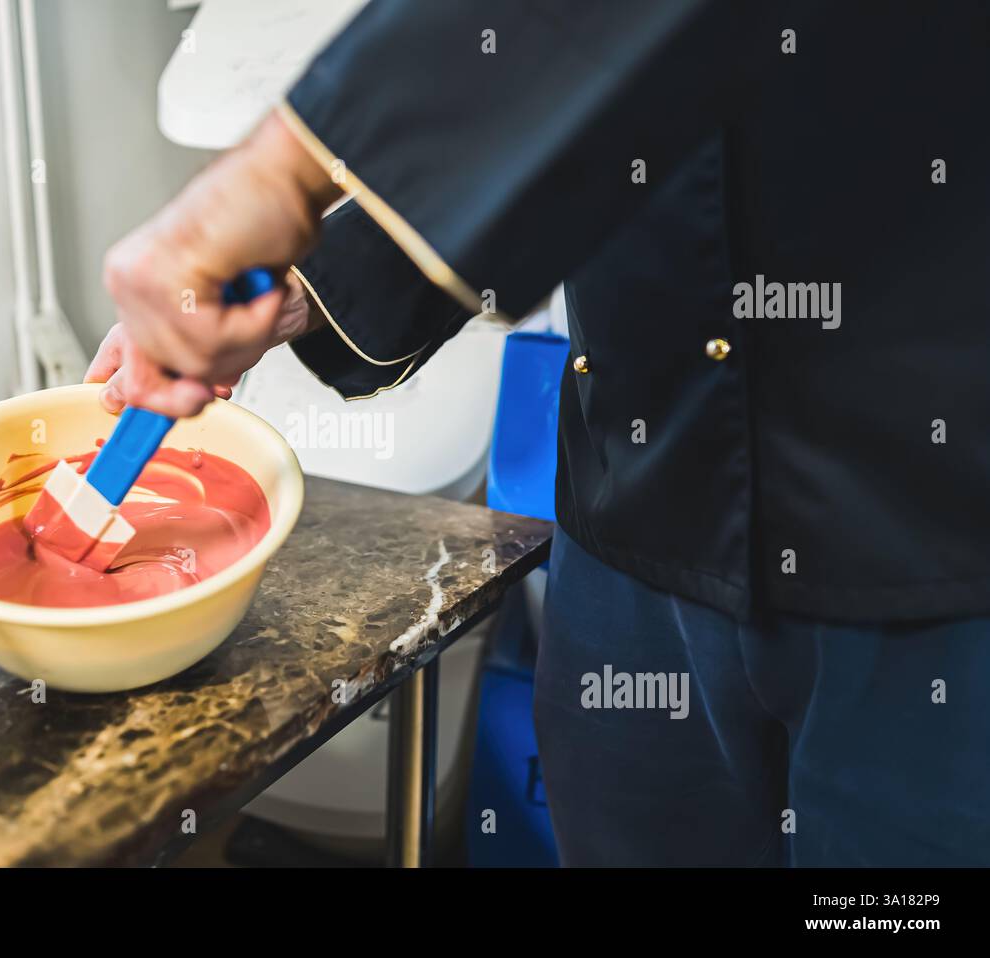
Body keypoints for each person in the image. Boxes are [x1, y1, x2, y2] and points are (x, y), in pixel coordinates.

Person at [87, 0, 990, 865]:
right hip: (636, 515)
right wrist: (306, 284)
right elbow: (595, 88)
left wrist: (275, 174)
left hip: (933, 551)